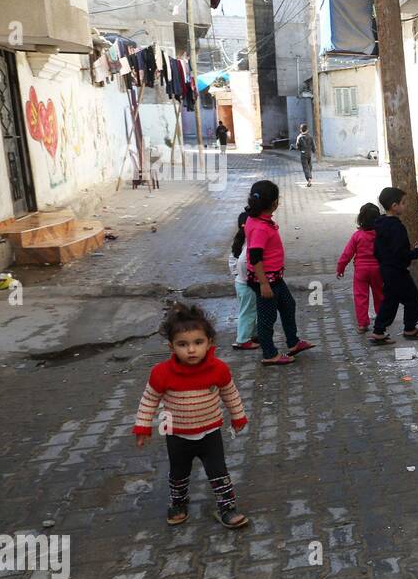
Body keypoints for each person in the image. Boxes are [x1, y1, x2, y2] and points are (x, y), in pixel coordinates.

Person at [133, 303, 250, 529]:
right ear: (172, 347)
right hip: (176, 435)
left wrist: (238, 416)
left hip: (210, 432)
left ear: (209, 343)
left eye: (198, 342)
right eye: (182, 345)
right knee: (178, 473)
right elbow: (149, 400)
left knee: (219, 472)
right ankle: (178, 503)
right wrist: (142, 427)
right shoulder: (161, 373)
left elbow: (230, 393)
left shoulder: (218, 369)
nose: (191, 350)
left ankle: (227, 508)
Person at [244, 180, 315, 365]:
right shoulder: (260, 226)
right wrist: (264, 284)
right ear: (275, 203)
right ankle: (269, 354)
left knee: (288, 305)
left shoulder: (257, 219)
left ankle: (293, 342)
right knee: (267, 317)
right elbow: (255, 257)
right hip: (265, 279)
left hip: (273, 277)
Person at [371, 187, 418, 344]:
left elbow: (376, 250)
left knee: (390, 300)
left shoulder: (380, 225)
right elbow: (400, 253)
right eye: (403, 203)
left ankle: (378, 331)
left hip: (386, 269)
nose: (405, 206)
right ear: (394, 206)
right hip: (397, 271)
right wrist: (416, 251)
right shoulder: (397, 227)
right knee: (412, 299)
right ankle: (410, 329)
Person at [337, 203, 385, 333]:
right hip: (378, 270)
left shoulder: (357, 235)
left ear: (361, 219)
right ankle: (381, 321)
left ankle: (363, 324)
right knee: (379, 295)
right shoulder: (381, 235)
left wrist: (340, 268)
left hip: (361, 271)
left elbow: (347, 254)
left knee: (360, 297)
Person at [229, 209, 259, 350]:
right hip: (247, 284)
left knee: (249, 310)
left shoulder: (239, 241)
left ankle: (251, 334)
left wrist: (237, 276)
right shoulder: (248, 244)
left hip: (240, 283)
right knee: (248, 312)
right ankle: (243, 339)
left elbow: (232, 261)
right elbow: (244, 263)